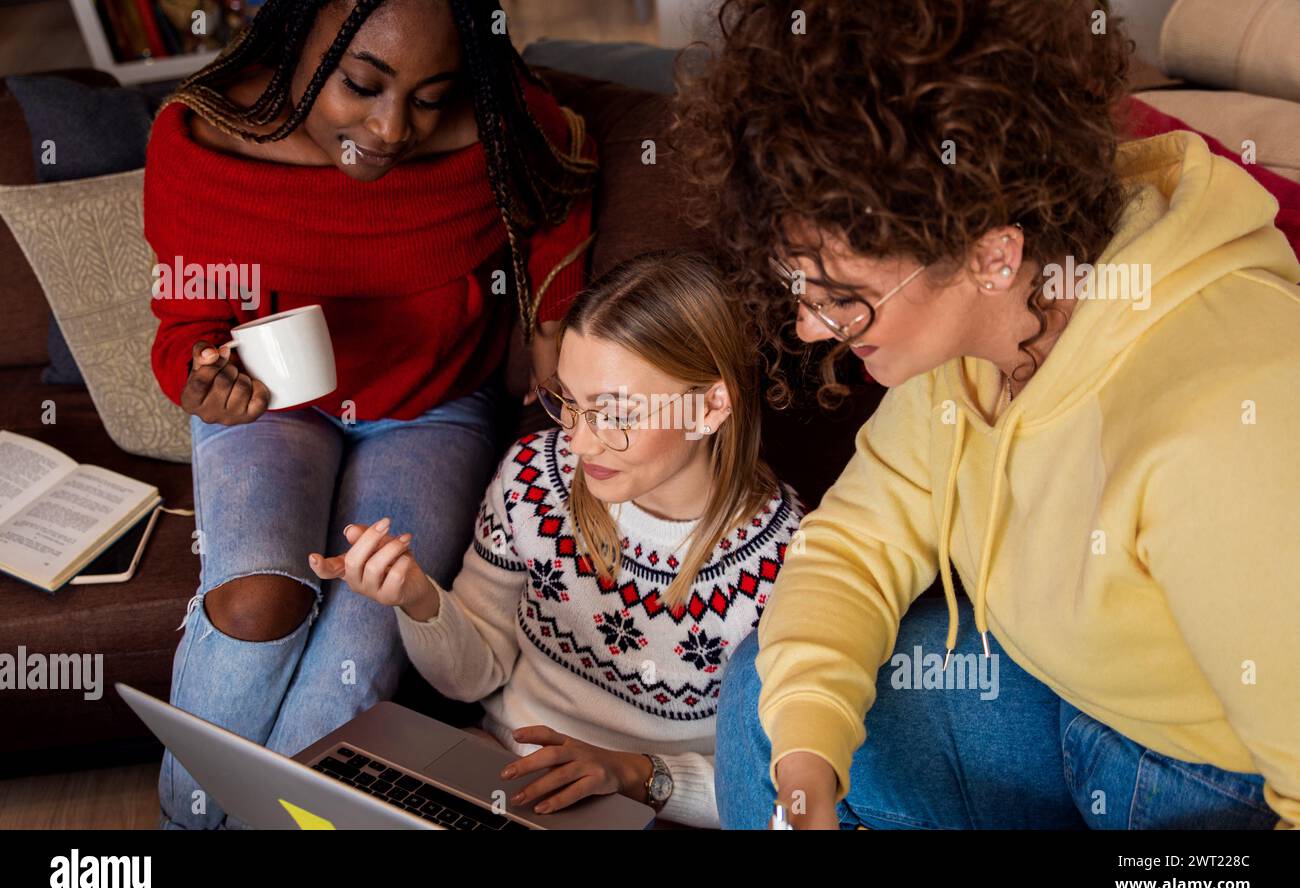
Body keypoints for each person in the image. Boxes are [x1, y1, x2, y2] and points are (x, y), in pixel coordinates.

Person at [672, 0, 1300, 829]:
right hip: (1070, 703)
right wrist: (806, 767)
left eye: (845, 299)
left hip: (1225, 788)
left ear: (991, 253)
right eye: (805, 292)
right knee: (773, 700)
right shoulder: (984, 333)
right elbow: (857, 544)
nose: (810, 328)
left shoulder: (1224, 418)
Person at [145, 0, 596, 829]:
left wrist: (553, 315)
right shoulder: (203, 139)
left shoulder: (496, 128)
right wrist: (201, 377)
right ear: (296, 40)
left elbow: (563, 168)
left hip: (434, 410)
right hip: (276, 402)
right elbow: (186, 320)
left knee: (363, 636)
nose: (393, 129)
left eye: (430, 96)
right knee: (256, 602)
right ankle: (184, 820)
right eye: (362, 84)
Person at [309, 251, 805, 827]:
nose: (579, 442)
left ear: (709, 408)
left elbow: (778, 798)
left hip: (646, 813)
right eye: (568, 401)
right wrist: (419, 601)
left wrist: (635, 774)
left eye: (614, 414)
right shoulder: (535, 478)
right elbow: (475, 677)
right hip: (499, 773)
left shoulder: (788, 559)